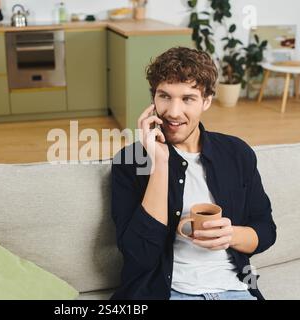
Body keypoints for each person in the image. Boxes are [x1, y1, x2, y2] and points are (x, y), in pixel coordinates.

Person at [110, 47, 277, 300]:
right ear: (153, 99)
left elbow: (265, 230)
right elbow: (139, 255)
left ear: (207, 101)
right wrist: (160, 163)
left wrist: (230, 235)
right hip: (170, 292)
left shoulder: (237, 153)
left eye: (188, 98)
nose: (174, 112)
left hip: (236, 289)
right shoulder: (129, 162)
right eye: (164, 96)